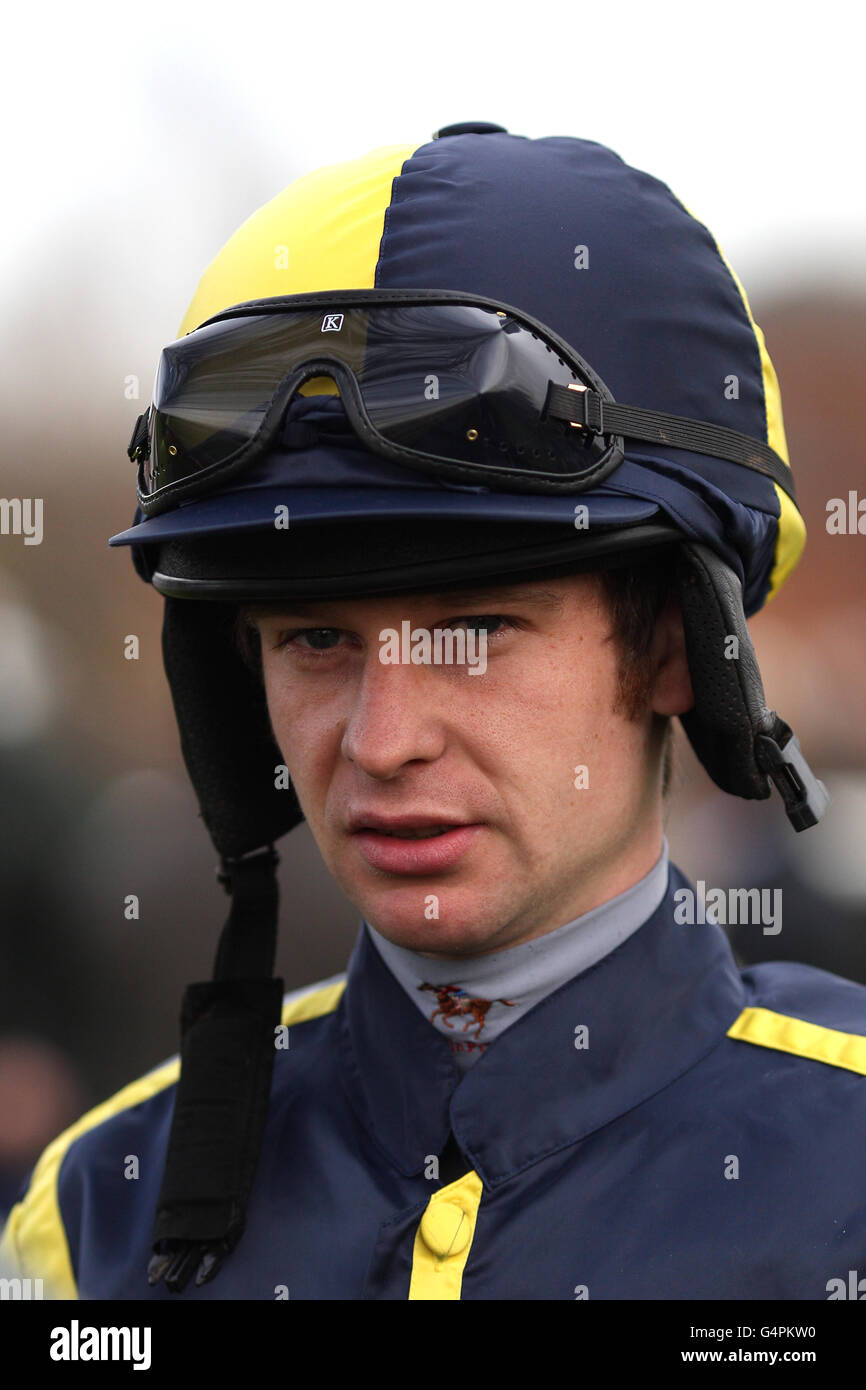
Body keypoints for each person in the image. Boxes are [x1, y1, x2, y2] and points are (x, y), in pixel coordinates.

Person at [2, 122, 862, 1303]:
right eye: (313, 638)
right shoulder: (87, 1219)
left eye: (474, 632)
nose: (378, 739)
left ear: (673, 647)